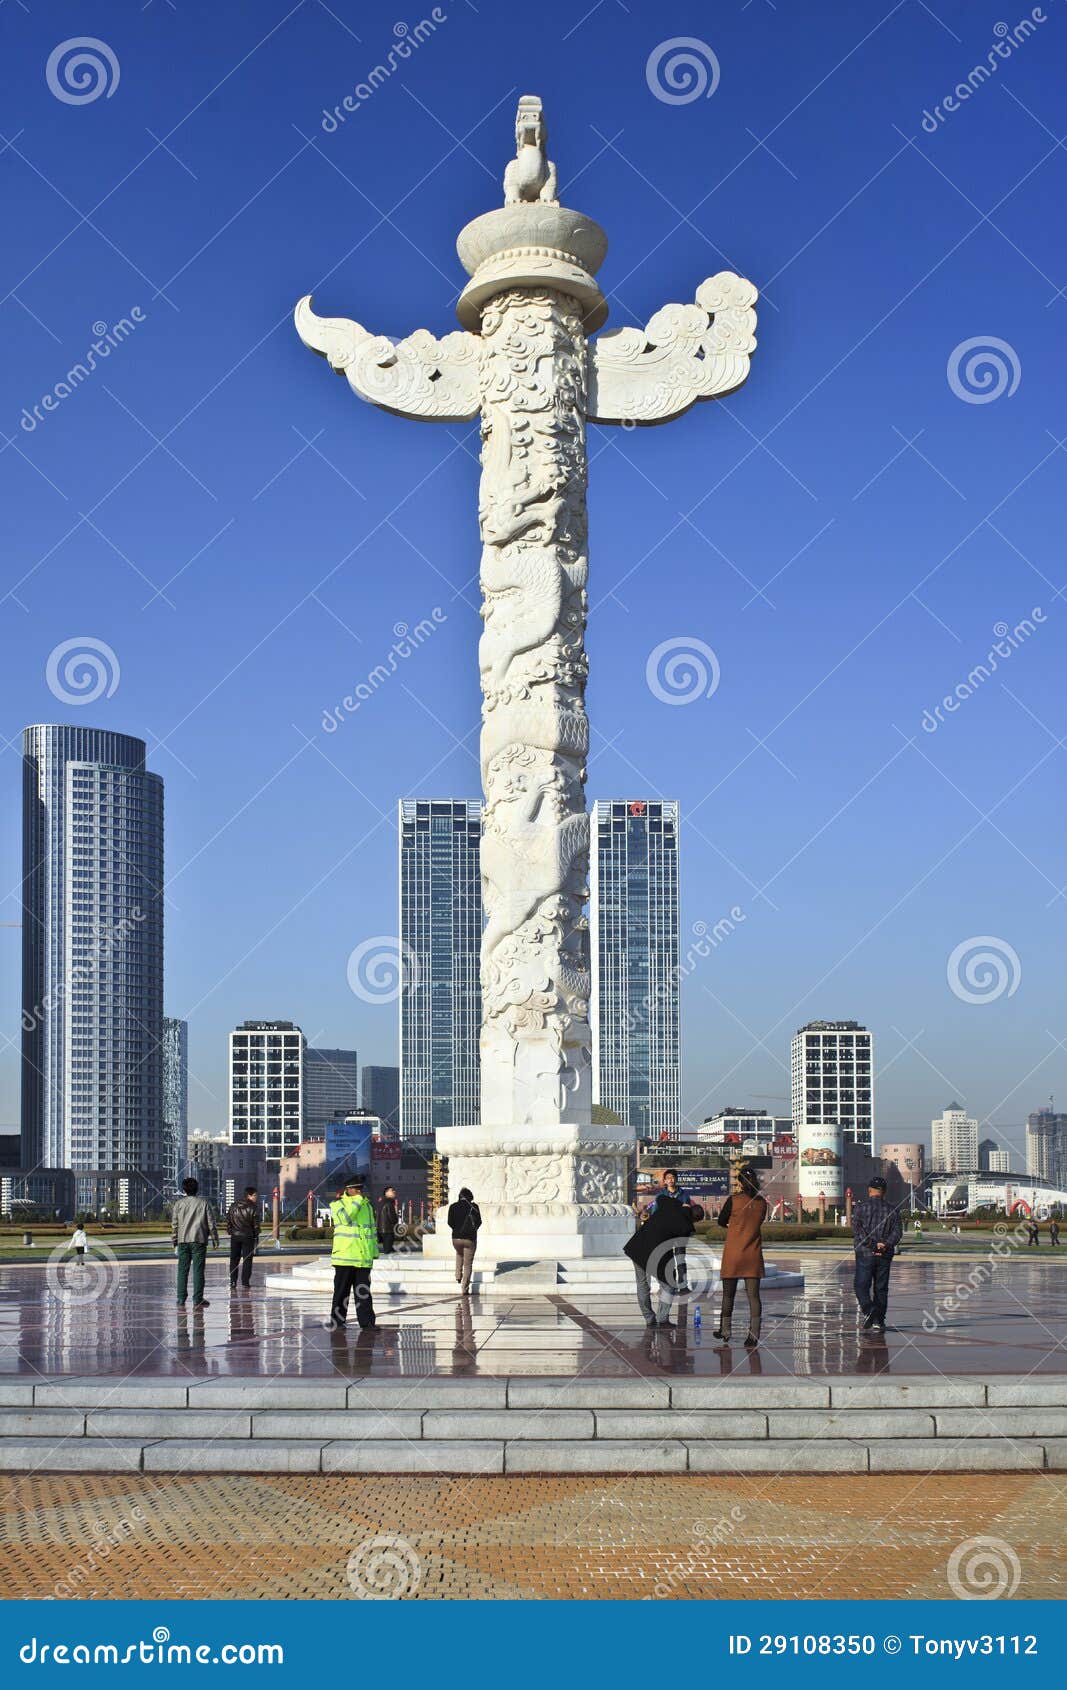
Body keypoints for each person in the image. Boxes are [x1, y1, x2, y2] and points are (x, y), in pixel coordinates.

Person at [714, 1165, 767, 1348]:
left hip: (733, 1254)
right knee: (754, 1296)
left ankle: (725, 1330)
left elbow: (721, 1221)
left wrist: (735, 1227)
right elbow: (758, 1222)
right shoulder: (762, 1203)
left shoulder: (734, 1200)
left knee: (728, 1295)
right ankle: (753, 1335)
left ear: (739, 1182)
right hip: (753, 1254)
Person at [623, 1187, 691, 1326]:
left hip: (637, 1247)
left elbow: (661, 1198)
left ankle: (649, 1318)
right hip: (654, 1252)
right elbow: (672, 1249)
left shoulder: (667, 1207)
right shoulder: (684, 1226)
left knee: (642, 1285)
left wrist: (679, 1204)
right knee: (669, 1285)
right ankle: (662, 1318)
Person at [851, 1176, 903, 1333]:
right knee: (881, 1288)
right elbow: (898, 1232)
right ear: (884, 1192)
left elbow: (858, 1232)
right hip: (885, 1255)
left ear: (869, 1190)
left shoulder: (860, 1208)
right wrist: (885, 1244)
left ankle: (869, 1309)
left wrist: (872, 1245)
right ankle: (879, 1321)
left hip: (865, 1254)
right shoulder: (893, 1209)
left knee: (861, 1285)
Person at [328, 1175, 379, 1330]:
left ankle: (367, 1323)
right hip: (345, 1257)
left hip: (363, 1257)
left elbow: (371, 1230)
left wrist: (373, 1252)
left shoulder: (367, 1206)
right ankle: (337, 1322)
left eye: (361, 1189)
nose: (359, 1192)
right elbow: (346, 1218)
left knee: (363, 1293)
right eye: (356, 1189)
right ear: (348, 1190)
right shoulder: (337, 1204)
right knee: (341, 1293)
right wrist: (357, 1201)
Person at [171, 1177, 219, 1311]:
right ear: (197, 1189)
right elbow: (211, 1223)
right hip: (199, 1240)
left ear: (184, 1189)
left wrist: (174, 1241)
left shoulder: (178, 1204)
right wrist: (215, 1239)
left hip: (183, 1241)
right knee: (198, 1271)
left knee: (182, 1270)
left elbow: (174, 1225)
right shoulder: (203, 1203)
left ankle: (181, 1298)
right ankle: (198, 1298)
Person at [650, 1169, 695, 1293]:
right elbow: (655, 1213)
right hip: (666, 1233)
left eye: (673, 1177)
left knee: (680, 1259)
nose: (671, 1180)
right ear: (664, 1181)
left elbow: (688, 1214)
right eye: (668, 1178)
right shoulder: (660, 1196)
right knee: (667, 1260)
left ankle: (683, 1286)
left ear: (676, 1179)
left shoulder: (684, 1195)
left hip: (680, 1232)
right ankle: (669, 1285)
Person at [225, 1186, 260, 1291]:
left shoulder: (233, 1206)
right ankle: (245, 1282)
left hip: (235, 1236)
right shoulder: (253, 1208)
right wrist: (255, 1235)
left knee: (234, 1259)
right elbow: (256, 1225)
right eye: (254, 1195)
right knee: (247, 1260)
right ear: (249, 1195)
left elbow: (229, 1220)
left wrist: (231, 1231)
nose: (256, 1198)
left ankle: (233, 1281)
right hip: (248, 1236)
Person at [447, 1187, 481, 1292]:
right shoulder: (474, 1207)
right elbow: (479, 1222)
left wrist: (457, 1230)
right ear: (470, 1197)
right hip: (470, 1239)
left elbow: (450, 1222)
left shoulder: (453, 1207)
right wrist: (472, 1230)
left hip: (456, 1238)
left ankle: (458, 1275)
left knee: (459, 1253)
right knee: (468, 1264)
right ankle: (464, 1288)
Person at [377, 1186, 399, 1255]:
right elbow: (392, 1218)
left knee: (387, 1249)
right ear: (386, 1193)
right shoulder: (389, 1203)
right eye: (391, 1190)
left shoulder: (381, 1202)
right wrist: (396, 1220)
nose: (394, 1192)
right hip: (388, 1230)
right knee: (387, 1252)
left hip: (380, 1229)